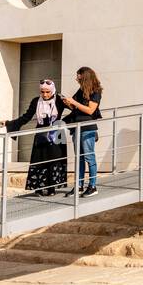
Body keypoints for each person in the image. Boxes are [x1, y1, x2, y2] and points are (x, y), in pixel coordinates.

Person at [2, 79, 68, 196]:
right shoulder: (36, 101)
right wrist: (8, 123)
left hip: (57, 133)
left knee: (54, 159)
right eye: (42, 92)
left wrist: (66, 121)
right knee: (40, 158)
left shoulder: (59, 99)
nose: (45, 94)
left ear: (52, 90)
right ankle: (39, 188)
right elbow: (26, 117)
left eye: (47, 92)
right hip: (41, 134)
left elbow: (75, 109)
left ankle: (52, 188)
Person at [61, 66, 103, 197]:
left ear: (84, 77)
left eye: (78, 76)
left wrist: (74, 102)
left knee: (89, 157)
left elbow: (90, 110)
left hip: (87, 128)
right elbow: (74, 107)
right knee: (78, 158)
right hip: (76, 127)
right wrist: (68, 102)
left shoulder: (96, 91)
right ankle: (79, 186)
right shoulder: (81, 91)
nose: (76, 79)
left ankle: (93, 186)